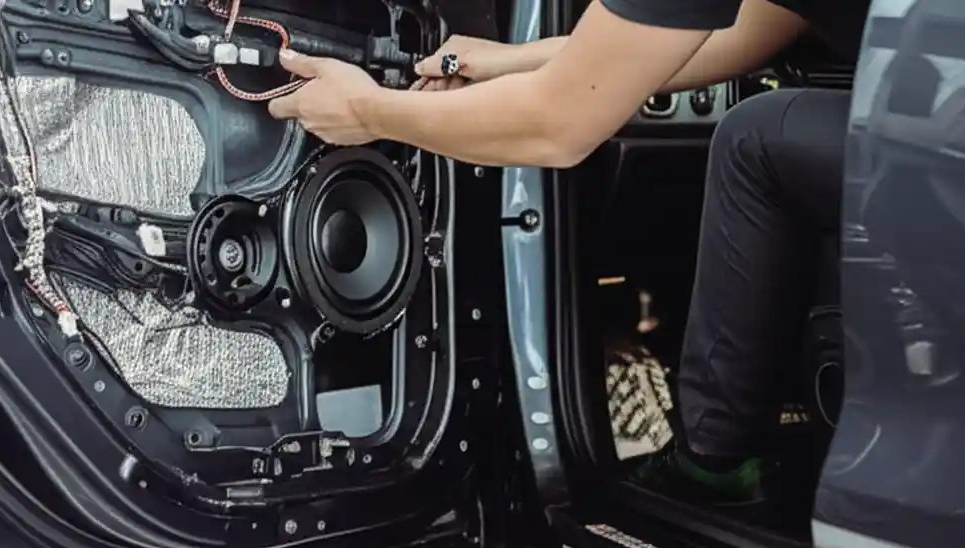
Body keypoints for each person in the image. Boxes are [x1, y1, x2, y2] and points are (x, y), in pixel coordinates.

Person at [268, 0, 870, 506]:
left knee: (753, 137)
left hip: (958, 158)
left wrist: (368, 111)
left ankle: (715, 459)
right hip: (955, 120)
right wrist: (504, 60)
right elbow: (727, 34)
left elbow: (556, 125)